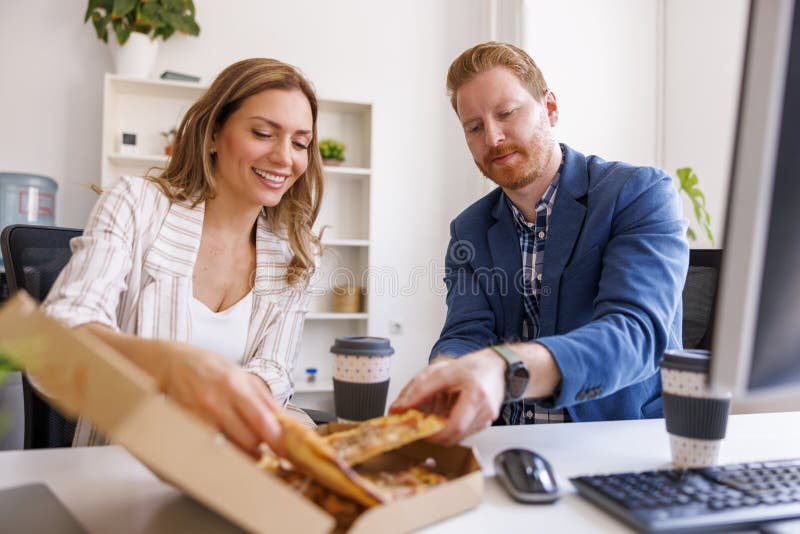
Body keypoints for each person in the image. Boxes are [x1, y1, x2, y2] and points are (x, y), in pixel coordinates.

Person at [392, 42, 689, 445]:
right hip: (506, 444)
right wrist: (447, 373)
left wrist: (505, 368)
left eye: (506, 113)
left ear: (549, 108)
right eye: (474, 127)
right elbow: (467, 330)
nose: (493, 138)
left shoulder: (637, 193)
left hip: (618, 441)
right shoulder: (470, 229)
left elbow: (635, 335)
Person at [43, 58, 325, 455]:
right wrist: (171, 366)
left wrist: (239, 405)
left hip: (230, 462)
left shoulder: (296, 252)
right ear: (213, 134)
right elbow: (56, 342)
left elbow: (275, 369)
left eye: (300, 143)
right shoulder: (135, 204)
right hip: (123, 463)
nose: (284, 157)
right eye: (263, 133)